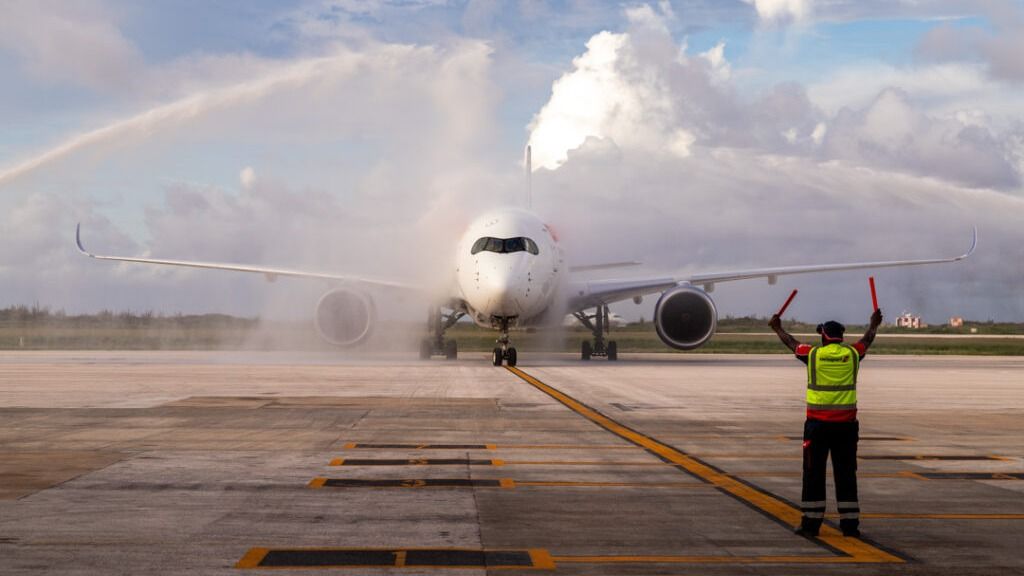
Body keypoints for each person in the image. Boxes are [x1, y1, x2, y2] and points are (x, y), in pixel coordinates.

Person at [769, 308, 882, 538]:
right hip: (846, 427)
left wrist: (777, 328)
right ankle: (850, 526)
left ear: (823, 336)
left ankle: (811, 525)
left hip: (817, 427)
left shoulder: (813, 355)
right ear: (841, 337)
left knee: (813, 474)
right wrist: (873, 325)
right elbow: (867, 341)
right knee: (846, 475)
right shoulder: (852, 354)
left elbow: (791, 343)